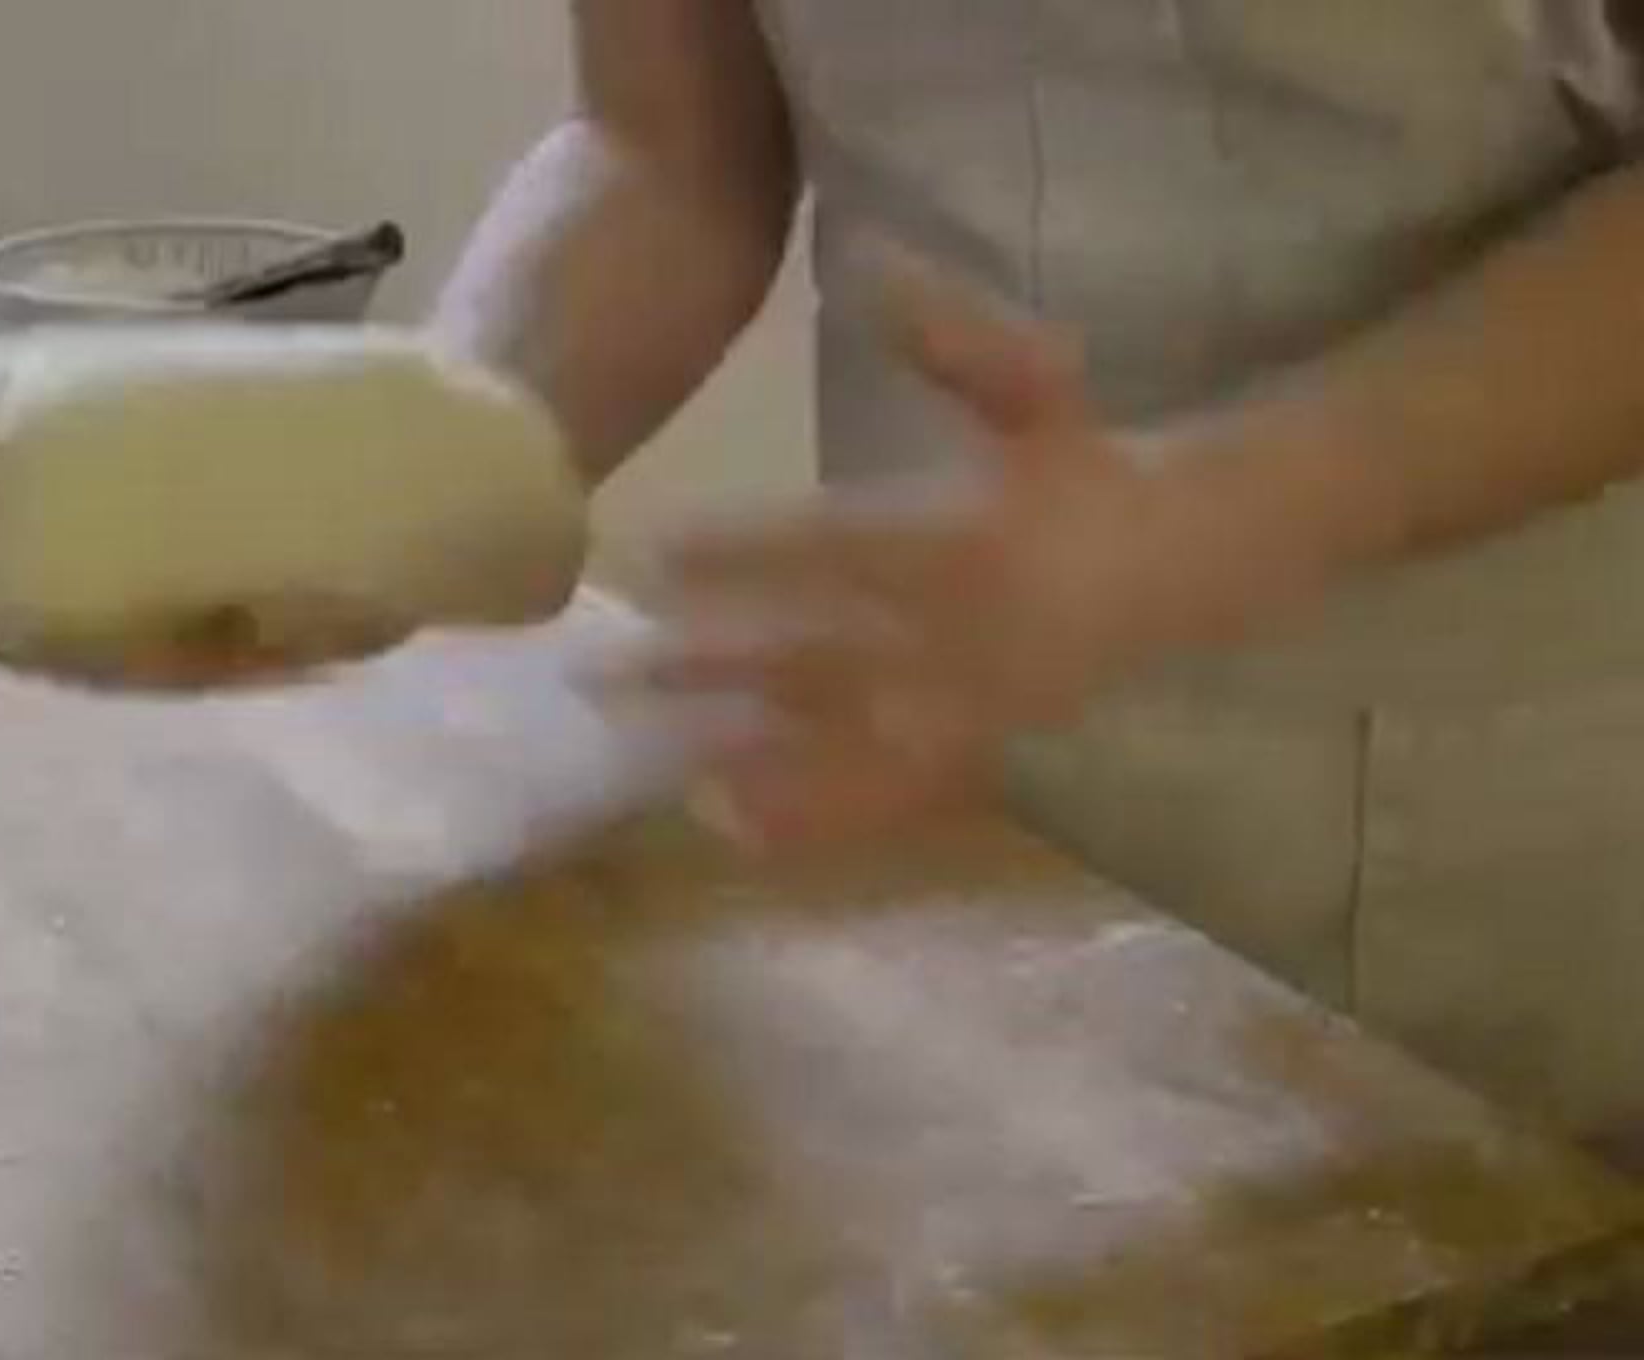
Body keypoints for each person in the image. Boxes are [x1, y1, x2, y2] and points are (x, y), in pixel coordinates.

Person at [432, 0, 1644, 1150]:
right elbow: (666, 153)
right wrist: (398, 480)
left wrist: (1185, 530)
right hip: (943, 787)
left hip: (1500, 831)